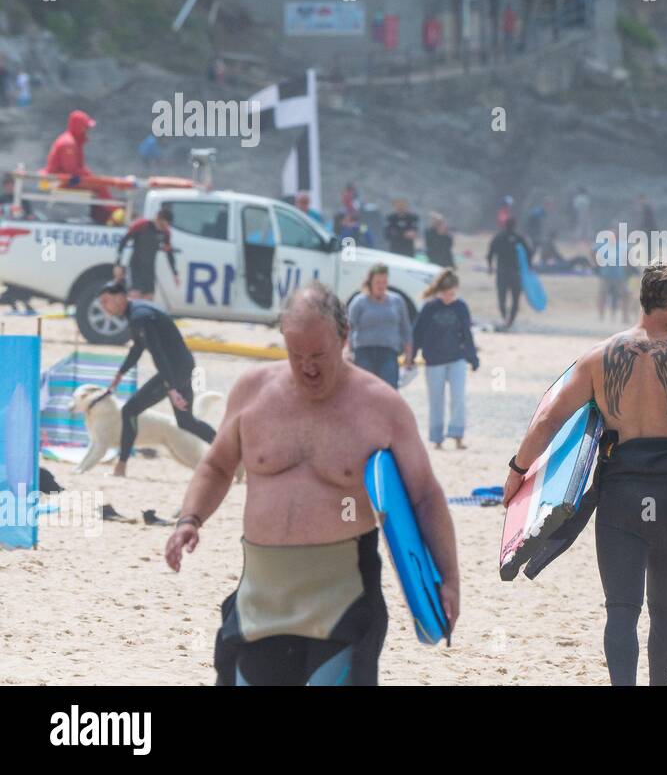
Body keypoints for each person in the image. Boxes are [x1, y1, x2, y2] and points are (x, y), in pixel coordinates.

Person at [164, 282, 460, 685]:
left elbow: (424, 495)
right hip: (260, 600)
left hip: (342, 600)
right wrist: (190, 519)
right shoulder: (253, 392)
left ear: (344, 337)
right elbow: (216, 465)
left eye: (319, 354)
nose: (308, 367)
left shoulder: (381, 407)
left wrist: (447, 580)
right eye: (295, 354)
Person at [503, 259, 667, 686]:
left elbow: (548, 419)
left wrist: (518, 470)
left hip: (621, 494)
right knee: (666, 608)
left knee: (622, 610)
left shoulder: (597, 357)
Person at [97, 283, 216, 479]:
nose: (104, 307)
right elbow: (138, 347)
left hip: (174, 370)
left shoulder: (140, 317)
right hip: (182, 367)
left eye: (105, 301)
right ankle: (231, 452)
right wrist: (120, 373)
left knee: (129, 410)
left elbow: (158, 354)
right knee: (186, 422)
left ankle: (121, 467)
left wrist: (172, 388)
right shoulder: (137, 311)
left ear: (119, 297)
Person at [411, 270, 479, 450]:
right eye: (447, 293)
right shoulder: (429, 308)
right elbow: (417, 334)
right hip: (434, 361)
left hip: (457, 358)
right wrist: (411, 356)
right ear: (440, 291)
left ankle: (457, 435)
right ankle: (437, 438)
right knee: (436, 400)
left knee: (458, 397)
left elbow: (467, 333)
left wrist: (473, 357)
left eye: (453, 294)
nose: (450, 297)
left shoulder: (461, 307)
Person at [347, 264, 412, 389]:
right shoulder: (359, 302)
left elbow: (405, 329)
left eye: (384, 282)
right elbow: (349, 327)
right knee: (364, 391)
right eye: (378, 282)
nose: (381, 285)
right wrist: (347, 351)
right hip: (364, 353)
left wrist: (409, 356)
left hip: (389, 353)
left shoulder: (397, 301)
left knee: (388, 391)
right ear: (370, 282)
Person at [114, 205, 179, 300]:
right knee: (135, 297)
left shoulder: (165, 233)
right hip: (135, 267)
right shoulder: (141, 225)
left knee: (148, 299)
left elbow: (169, 253)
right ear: (158, 218)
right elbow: (123, 243)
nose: (165, 227)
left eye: (167, 225)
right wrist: (118, 264)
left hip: (149, 270)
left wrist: (174, 273)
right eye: (163, 224)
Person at [487, 217, 530, 329]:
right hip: (515, 271)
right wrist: (528, 266)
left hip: (502, 272)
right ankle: (510, 321)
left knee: (502, 297)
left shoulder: (499, 237)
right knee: (515, 298)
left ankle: (505, 319)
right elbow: (529, 251)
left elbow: (490, 253)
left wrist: (490, 267)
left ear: (504, 225)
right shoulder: (518, 237)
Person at [42, 110, 97, 186]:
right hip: (54, 181)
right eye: (86, 127)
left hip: (62, 179)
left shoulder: (74, 142)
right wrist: (89, 177)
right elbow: (71, 170)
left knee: (96, 184)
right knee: (98, 186)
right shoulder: (68, 143)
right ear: (79, 127)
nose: (87, 130)